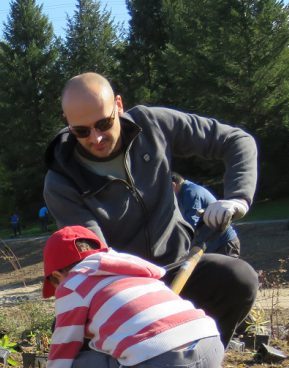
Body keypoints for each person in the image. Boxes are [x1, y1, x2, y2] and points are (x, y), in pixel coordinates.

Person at [43, 72, 259, 345]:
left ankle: (201, 362)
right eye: (82, 131)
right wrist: (152, 294)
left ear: (118, 106)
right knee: (87, 347)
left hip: (180, 267)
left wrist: (238, 197)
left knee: (238, 280)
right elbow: (98, 258)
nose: (96, 138)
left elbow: (236, 141)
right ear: (68, 123)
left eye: (104, 124)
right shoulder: (62, 181)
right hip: (121, 288)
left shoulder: (153, 125)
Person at [2, 226, 232, 368]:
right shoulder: (135, 271)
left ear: (56, 276)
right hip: (212, 347)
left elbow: (62, 353)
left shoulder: (72, 285)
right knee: (185, 337)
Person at [171, 173, 240, 257]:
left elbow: (190, 227)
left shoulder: (190, 192)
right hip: (212, 245)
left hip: (223, 244)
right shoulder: (183, 193)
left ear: (173, 185)